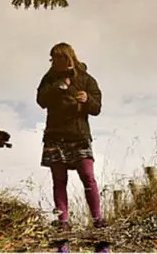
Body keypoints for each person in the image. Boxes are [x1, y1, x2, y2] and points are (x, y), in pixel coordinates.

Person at [36, 42, 106, 231]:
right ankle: (63, 222)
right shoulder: (49, 79)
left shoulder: (86, 78)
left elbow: (97, 108)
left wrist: (87, 100)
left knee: (88, 177)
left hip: (79, 135)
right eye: (53, 59)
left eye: (60, 58)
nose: (56, 62)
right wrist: (58, 87)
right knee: (59, 181)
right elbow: (40, 101)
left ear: (69, 57)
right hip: (54, 136)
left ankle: (97, 219)